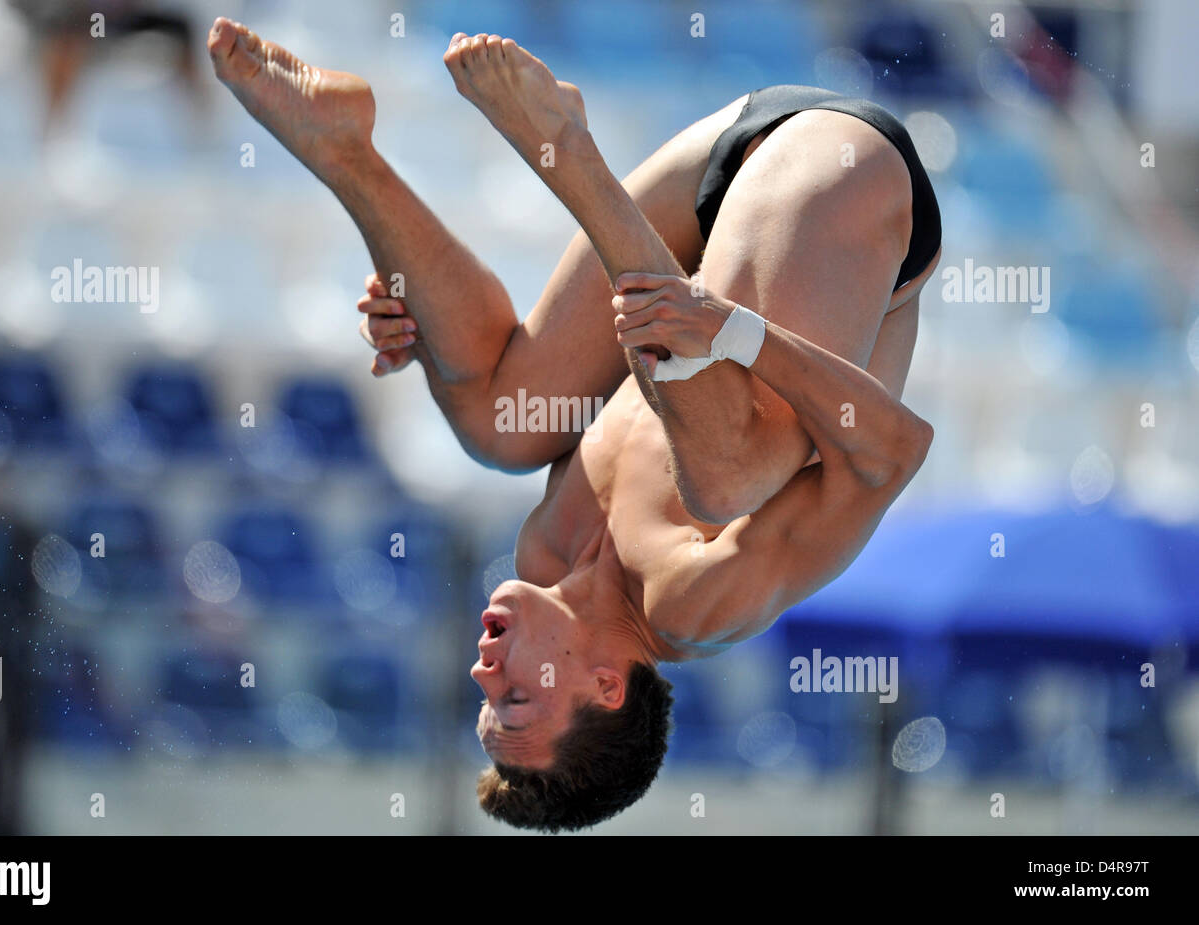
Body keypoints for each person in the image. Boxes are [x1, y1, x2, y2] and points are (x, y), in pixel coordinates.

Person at [207, 19, 940, 831]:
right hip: (845, 170)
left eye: (483, 698)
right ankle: (565, 147)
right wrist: (735, 332)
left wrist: (417, 332)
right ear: (605, 687)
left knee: (498, 427)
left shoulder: (545, 551)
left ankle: (348, 151)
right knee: (730, 477)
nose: (484, 671)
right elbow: (894, 454)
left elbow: (502, 359)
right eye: (515, 698)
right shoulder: (698, 605)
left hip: (709, 181)